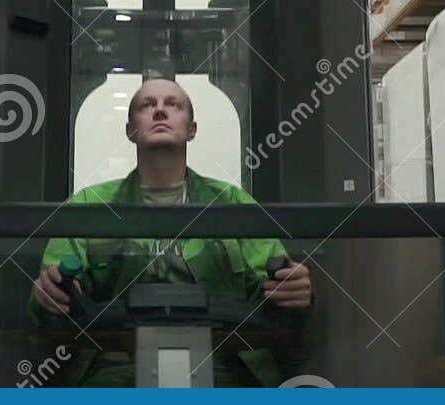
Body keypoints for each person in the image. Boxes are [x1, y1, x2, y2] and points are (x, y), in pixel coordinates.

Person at [31, 76, 313, 385]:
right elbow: (52, 294)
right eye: (147, 105)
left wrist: (295, 289)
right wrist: (48, 292)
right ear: (130, 130)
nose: (160, 111)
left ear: (191, 130)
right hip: (114, 368)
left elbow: (277, 284)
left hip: (224, 365)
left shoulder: (231, 203)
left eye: (173, 105)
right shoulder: (89, 205)